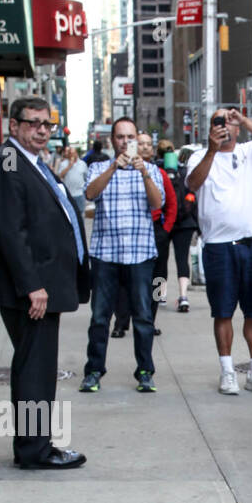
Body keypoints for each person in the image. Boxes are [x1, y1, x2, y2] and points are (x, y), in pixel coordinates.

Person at [0, 96, 89, 469]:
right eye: (32, 123)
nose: (41, 130)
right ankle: (34, 451)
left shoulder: (33, 163)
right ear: (13, 126)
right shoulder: (9, 161)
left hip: (44, 287)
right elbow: (10, 232)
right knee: (34, 371)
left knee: (38, 368)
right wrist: (32, 285)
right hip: (34, 292)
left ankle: (37, 445)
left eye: (46, 124)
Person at [185, 107, 252, 396]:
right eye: (218, 121)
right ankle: (227, 372)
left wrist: (245, 120)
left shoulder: (250, 152)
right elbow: (193, 183)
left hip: (250, 245)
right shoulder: (199, 157)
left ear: (238, 127)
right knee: (223, 312)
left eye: (230, 120)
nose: (225, 125)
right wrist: (212, 150)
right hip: (218, 247)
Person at [79, 116, 164, 394]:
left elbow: (157, 203)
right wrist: (115, 167)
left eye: (130, 138)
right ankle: (93, 370)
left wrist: (145, 173)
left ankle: (145, 371)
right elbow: (90, 194)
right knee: (100, 316)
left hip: (140, 254)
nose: (125, 142)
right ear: (112, 140)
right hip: (106, 253)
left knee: (143, 316)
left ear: (137, 140)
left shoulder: (150, 168)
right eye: (120, 137)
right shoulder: (99, 167)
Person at [111, 133, 177, 339]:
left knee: (158, 278)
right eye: (141, 144)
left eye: (149, 144)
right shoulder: (121, 172)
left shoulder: (159, 173)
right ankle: (121, 321)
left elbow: (172, 204)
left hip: (156, 231)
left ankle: (150, 319)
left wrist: (165, 230)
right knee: (124, 277)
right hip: (129, 231)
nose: (146, 148)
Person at [166, 150, 200, 312]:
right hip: (185, 223)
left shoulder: (159, 172)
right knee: (182, 260)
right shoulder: (186, 175)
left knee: (160, 262)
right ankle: (183, 296)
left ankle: (159, 296)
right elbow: (193, 198)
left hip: (164, 222)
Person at [60, 146, 88, 220]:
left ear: (76, 154)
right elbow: (60, 175)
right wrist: (69, 166)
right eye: (70, 153)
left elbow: (86, 177)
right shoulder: (63, 164)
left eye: (73, 153)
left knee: (80, 214)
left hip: (79, 194)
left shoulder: (82, 164)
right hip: (68, 194)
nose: (72, 155)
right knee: (69, 215)